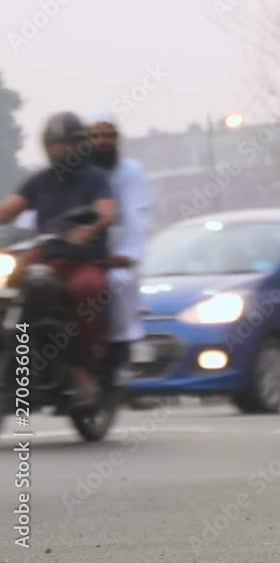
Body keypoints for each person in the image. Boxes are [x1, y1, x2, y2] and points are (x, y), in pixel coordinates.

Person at [0, 112, 117, 408]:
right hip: (47, 258)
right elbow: (10, 208)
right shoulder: (40, 181)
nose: (58, 150)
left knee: (87, 290)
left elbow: (107, 212)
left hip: (83, 260)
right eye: (53, 145)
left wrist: (90, 227)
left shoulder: (95, 179)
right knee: (9, 288)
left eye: (64, 144)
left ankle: (83, 370)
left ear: (79, 145)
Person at [86, 112, 150, 379]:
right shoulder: (74, 170)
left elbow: (137, 215)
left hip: (115, 250)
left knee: (118, 282)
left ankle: (119, 353)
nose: (102, 141)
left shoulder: (130, 171)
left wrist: (127, 254)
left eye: (108, 135)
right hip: (76, 249)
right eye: (96, 136)